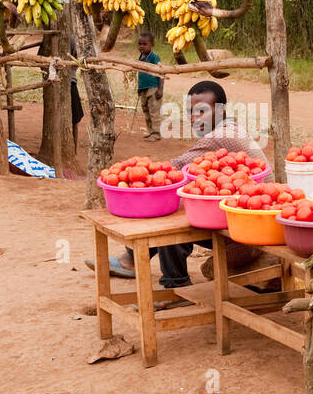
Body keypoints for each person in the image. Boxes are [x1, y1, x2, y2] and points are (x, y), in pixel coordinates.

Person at [91, 80, 267, 288]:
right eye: (191, 112)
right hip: (251, 227)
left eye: (202, 111)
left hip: (246, 240)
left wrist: (132, 172)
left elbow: (173, 168)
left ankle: (175, 284)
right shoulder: (231, 129)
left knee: (171, 216)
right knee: (185, 202)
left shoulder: (219, 136)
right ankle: (130, 260)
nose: (194, 118)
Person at [136, 32, 163, 142]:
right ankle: (151, 131)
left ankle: (156, 133)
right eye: (139, 44)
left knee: (154, 111)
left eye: (144, 44)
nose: (141, 46)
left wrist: (160, 89)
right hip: (143, 89)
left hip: (153, 88)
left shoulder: (154, 57)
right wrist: (139, 89)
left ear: (151, 44)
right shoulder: (141, 57)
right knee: (146, 111)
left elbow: (162, 73)